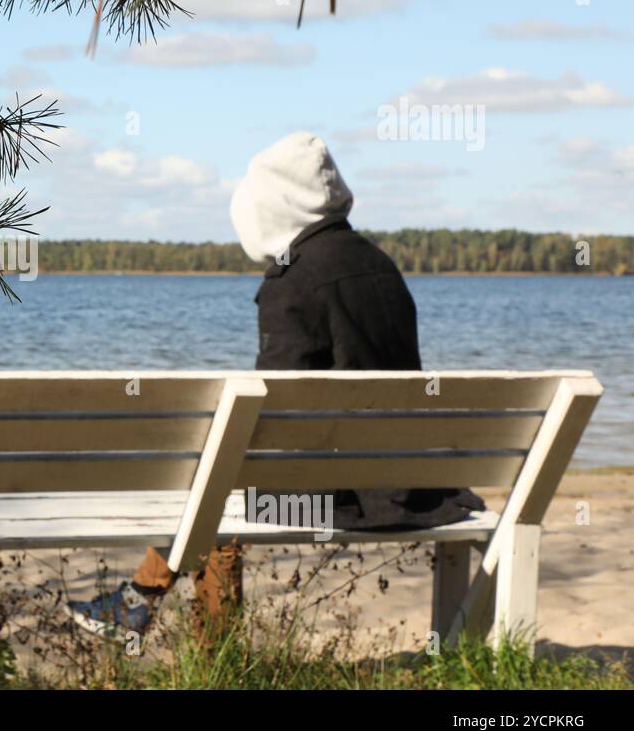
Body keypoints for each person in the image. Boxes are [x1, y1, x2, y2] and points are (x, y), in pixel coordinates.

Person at [66, 131, 485, 639]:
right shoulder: (382, 266)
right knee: (221, 484)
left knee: (215, 494)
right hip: (412, 488)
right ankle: (140, 601)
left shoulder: (291, 282)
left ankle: (186, 635)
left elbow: (273, 414)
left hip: (339, 502)